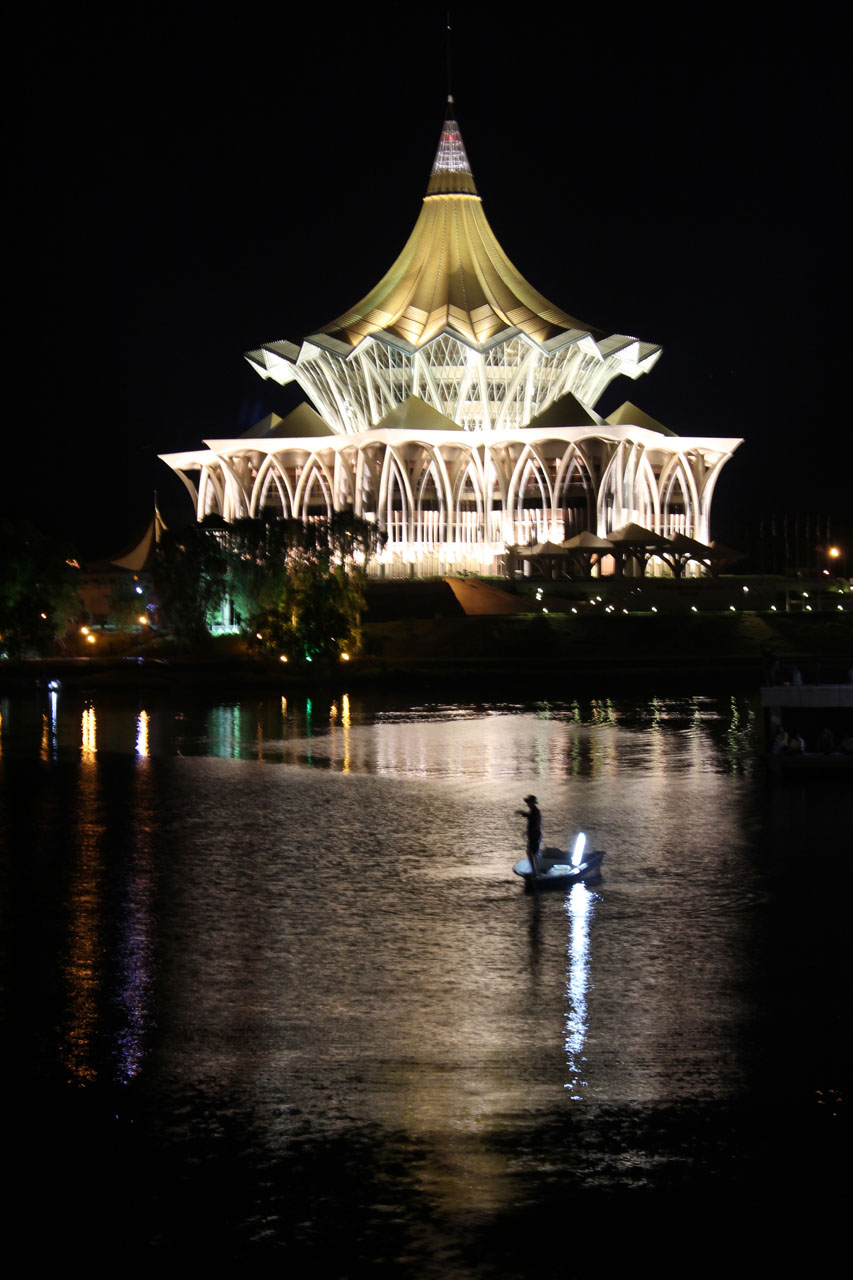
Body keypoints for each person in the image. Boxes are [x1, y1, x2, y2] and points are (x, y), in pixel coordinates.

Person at [517, 795, 542, 876]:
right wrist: (522, 813)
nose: (527, 804)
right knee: (531, 852)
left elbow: (534, 822)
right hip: (534, 835)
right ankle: (535, 870)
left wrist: (521, 812)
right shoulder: (533, 811)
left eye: (528, 802)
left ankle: (536, 871)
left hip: (534, 835)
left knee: (533, 853)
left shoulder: (535, 811)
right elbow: (529, 816)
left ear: (532, 803)